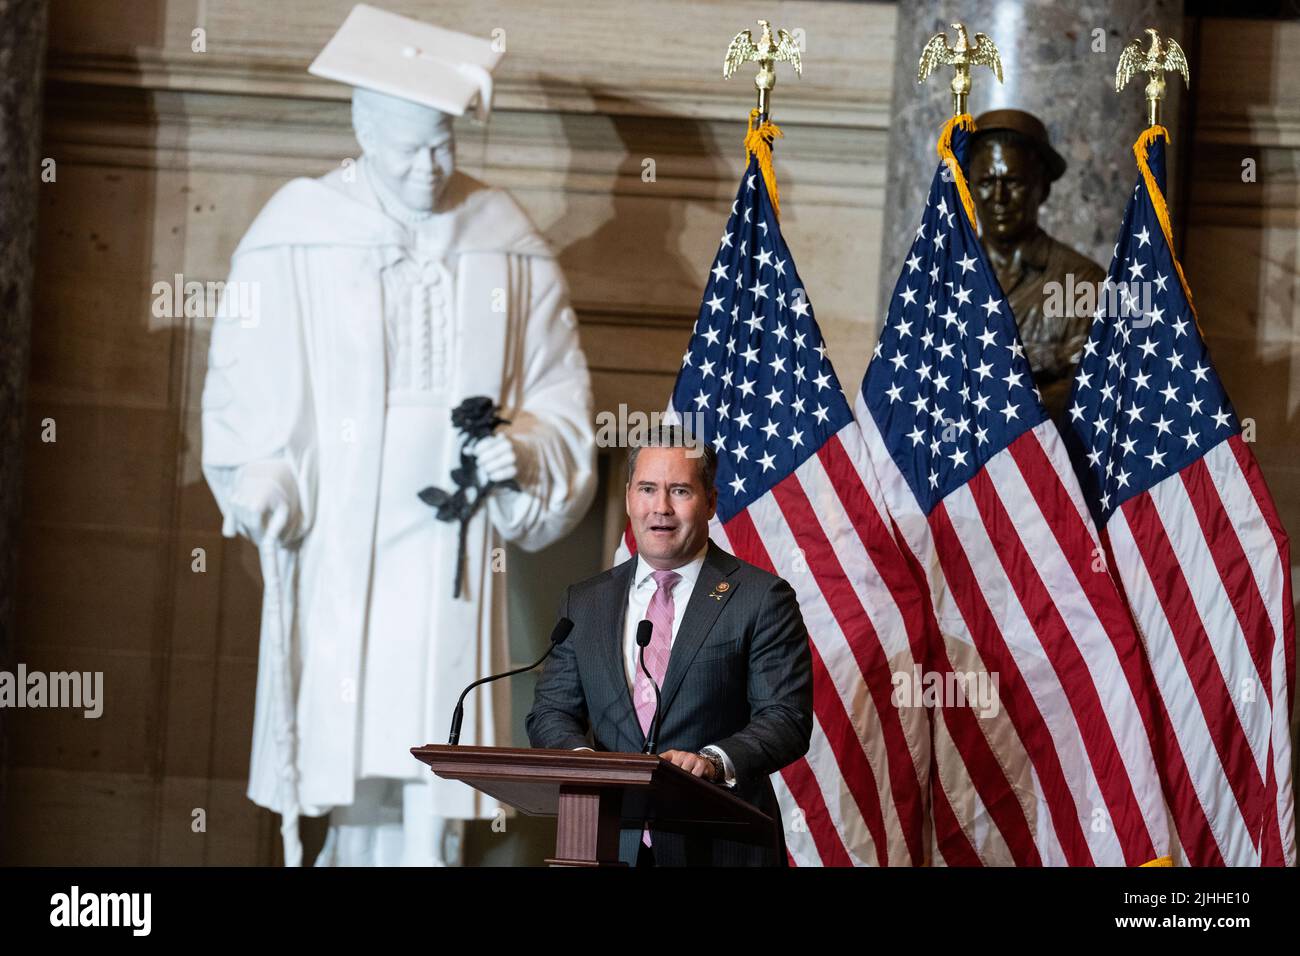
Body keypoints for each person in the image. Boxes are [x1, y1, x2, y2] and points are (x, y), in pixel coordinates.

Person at [201, 7, 596, 866]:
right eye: (410, 148)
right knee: (351, 739)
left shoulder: (505, 241)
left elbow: (562, 397)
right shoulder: (297, 231)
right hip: (345, 534)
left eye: (444, 144)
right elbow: (248, 392)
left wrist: (525, 450)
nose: (431, 168)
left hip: (450, 550)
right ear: (364, 132)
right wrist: (262, 480)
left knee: (433, 737)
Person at [525, 430, 812, 866]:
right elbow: (550, 713)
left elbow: (786, 718)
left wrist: (712, 762)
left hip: (718, 845)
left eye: (679, 491)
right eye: (647, 489)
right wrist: (586, 765)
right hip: (604, 841)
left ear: (711, 502)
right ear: (628, 499)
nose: (660, 507)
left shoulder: (760, 597)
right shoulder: (584, 602)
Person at [970, 109, 1107, 423]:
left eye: (1014, 182)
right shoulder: (945, 278)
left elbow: (1091, 387)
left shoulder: (1081, 283)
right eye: (986, 182)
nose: (999, 197)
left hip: (1040, 462)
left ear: (1042, 188)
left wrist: (1002, 414)